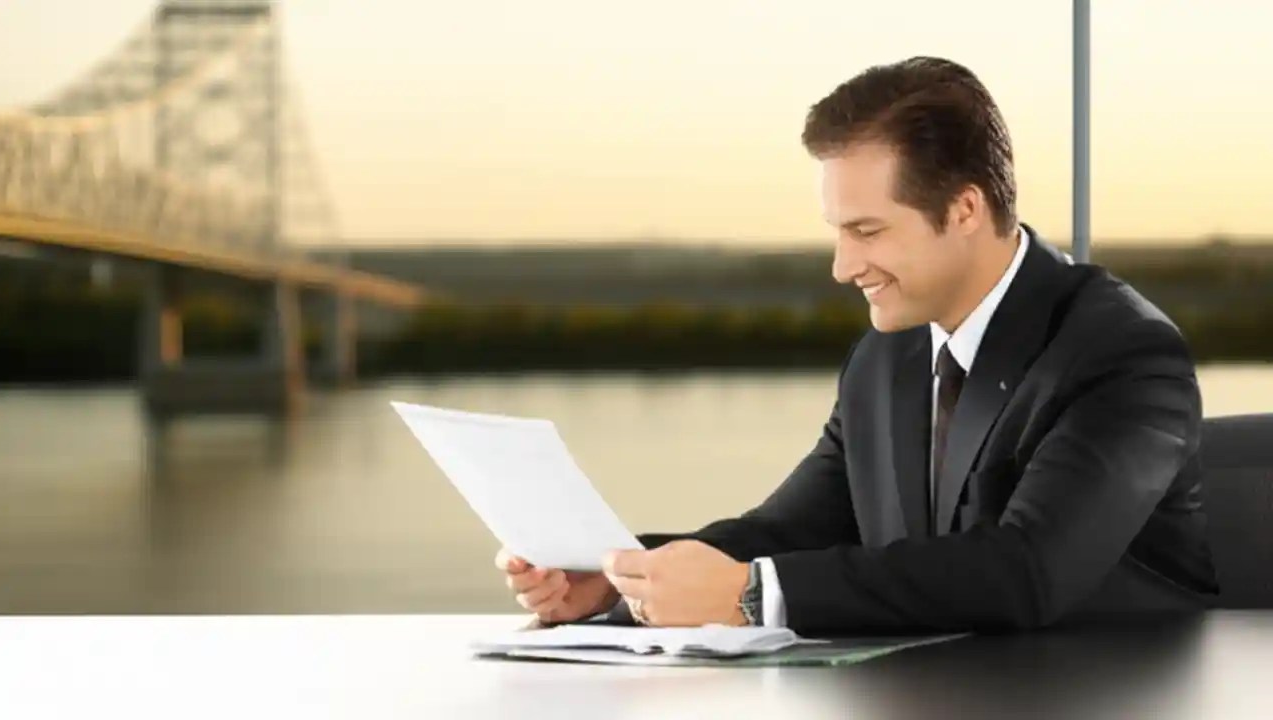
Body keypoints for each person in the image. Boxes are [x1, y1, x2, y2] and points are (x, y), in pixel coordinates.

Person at [496, 56, 1219, 634]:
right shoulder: (889, 357)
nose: (843, 267)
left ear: (965, 208)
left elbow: (1026, 571)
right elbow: (791, 530)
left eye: (867, 231)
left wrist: (750, 598)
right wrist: (624, 577)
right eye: (838, 232)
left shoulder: (1122, 354)